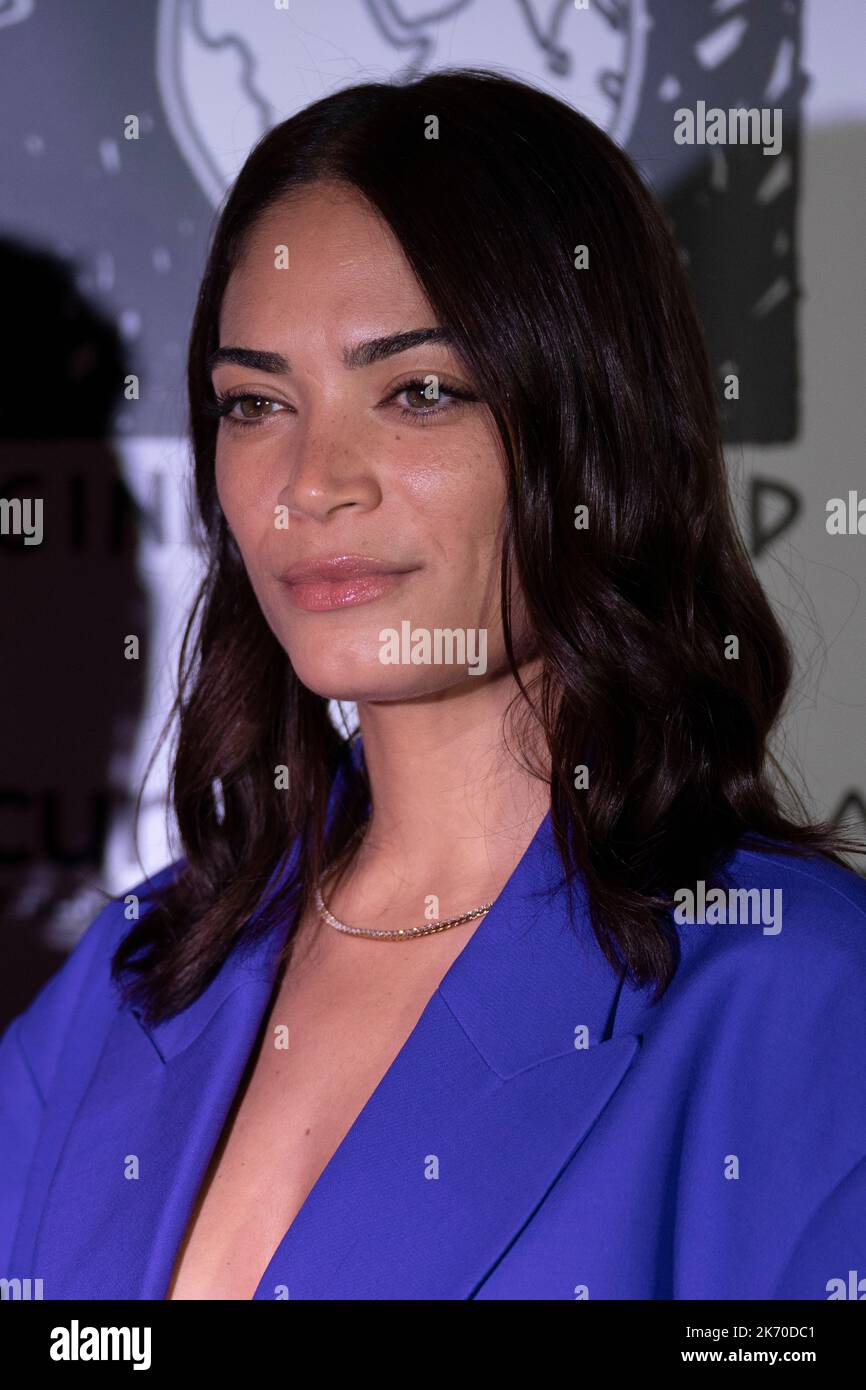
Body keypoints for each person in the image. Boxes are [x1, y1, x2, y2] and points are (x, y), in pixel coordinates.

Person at [2, 68, 865, 1302]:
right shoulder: (134, 979)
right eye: (256, 404)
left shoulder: (798, 1009)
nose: (312, 481)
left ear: (592, 424)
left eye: (416, 391)